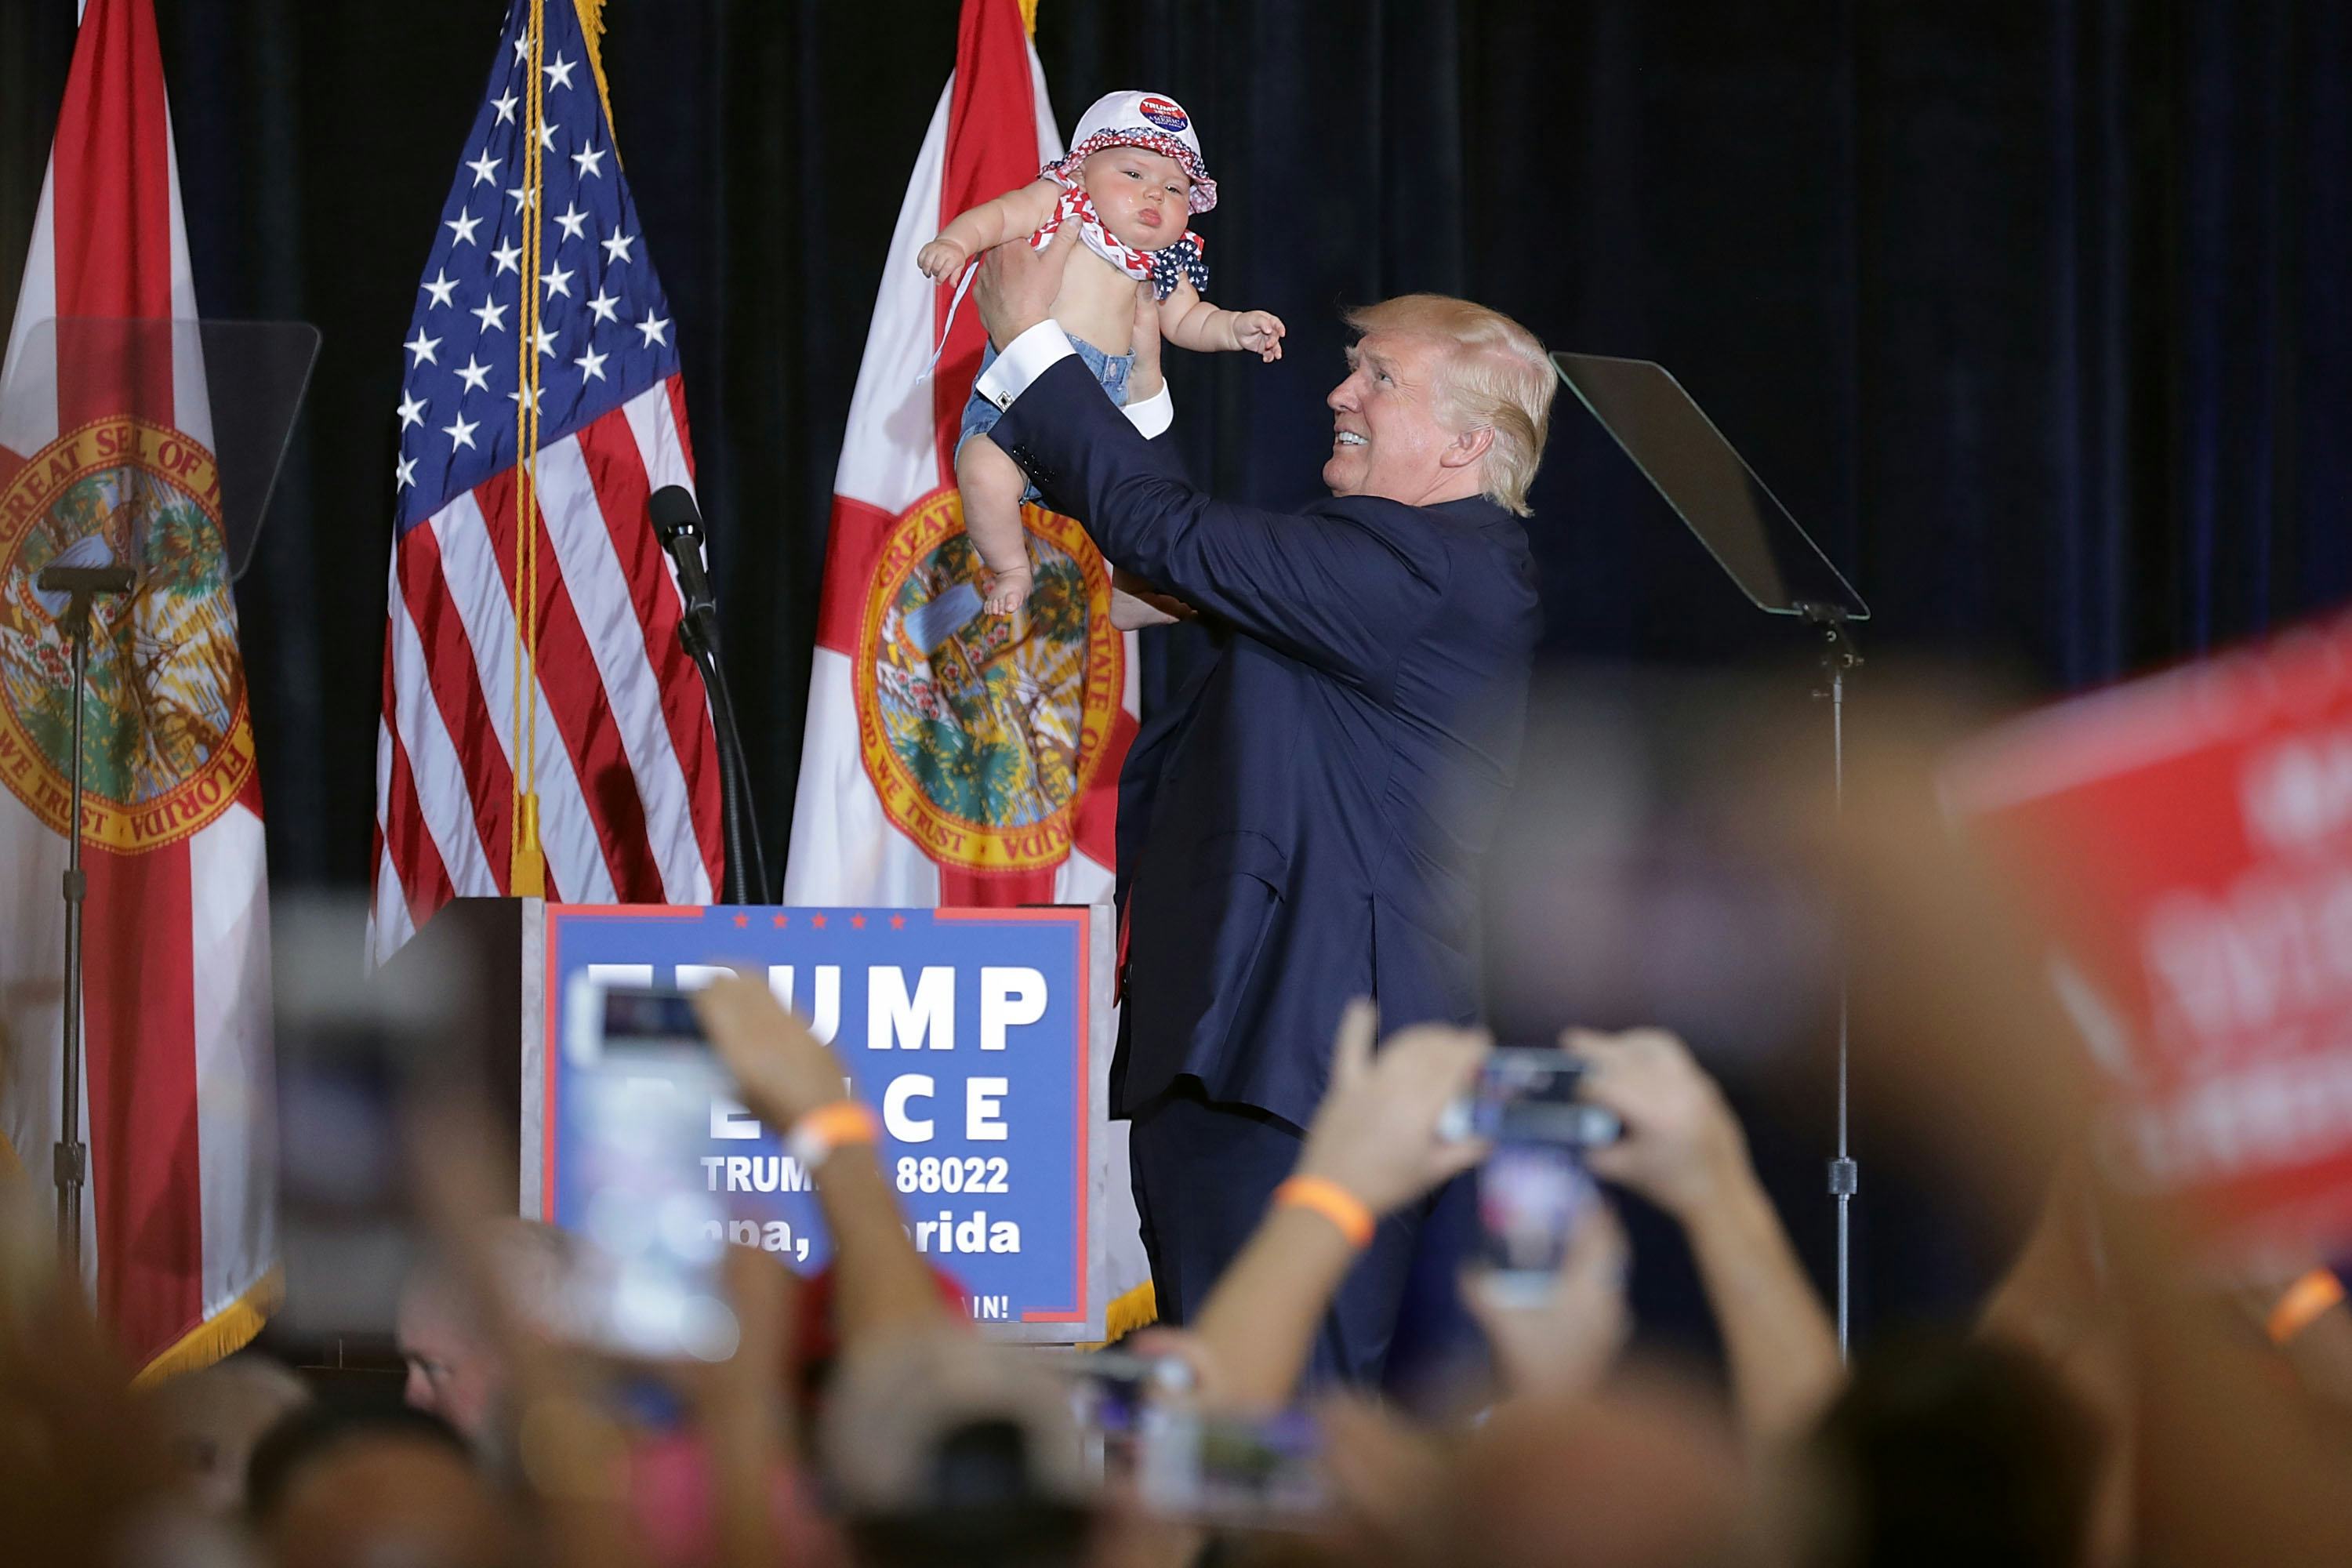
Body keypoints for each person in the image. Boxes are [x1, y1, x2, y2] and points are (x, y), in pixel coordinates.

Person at [967, 230, 1555, 1383]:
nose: (1340, 391)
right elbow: (1185, 560)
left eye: (1380, 378)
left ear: (1465, 442)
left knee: (1275, 1437)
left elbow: (1174, 538)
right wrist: (1132, 381)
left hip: (1305, 1066)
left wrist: (1034, 348)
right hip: (1257, 1058)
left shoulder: (1427, 568)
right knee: (1233, 1427)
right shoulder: (1382, 566)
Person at [920, 89, 1285, 615]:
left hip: (1103, 413)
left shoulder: (1166, 258)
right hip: (1019, 400)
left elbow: (1186, 319)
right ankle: (1010, 566)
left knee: (1131, 511)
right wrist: (956, 243)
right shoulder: (1060, 204)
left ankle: (1141, 593)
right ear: (1080, 172)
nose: (1154, 195)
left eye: (1174, 188)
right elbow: (997, 217)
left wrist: (1234, 329)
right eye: (1133, 175)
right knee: (982, 471)